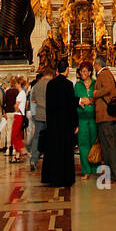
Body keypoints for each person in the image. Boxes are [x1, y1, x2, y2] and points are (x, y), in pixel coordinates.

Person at [42, 59, 77, 187]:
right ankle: (66, 178)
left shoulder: (50, 85)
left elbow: (48, 105)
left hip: (53, 123)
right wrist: (75, 124)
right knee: (66, 151)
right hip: (66, 124)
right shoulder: (68, 85)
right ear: (67, 70)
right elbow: (71, 106)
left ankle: (53, 178)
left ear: (57, 70)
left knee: (54, 150)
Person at [93, 55, 116, 184]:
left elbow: (109, 88)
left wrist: (96, 93)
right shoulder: (105, 74)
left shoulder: (104, 74)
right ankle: (110, 174)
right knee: (107, 146)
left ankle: (113, 175)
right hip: (105, 116)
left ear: (98, 64)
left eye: (94, 64)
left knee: (108, 146)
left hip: (106, 116)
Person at [74, 62, 97, 178]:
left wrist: (90, 101)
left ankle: (95, 169)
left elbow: (99, 97)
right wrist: (80, 101)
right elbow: (73, 101)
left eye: (84, 71)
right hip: (82, 119)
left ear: (90, 72)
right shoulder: (77, 86)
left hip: (93, 119)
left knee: (95, 144)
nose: (82, 74)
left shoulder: (96, 84)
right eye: (81, 71)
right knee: (83, 145)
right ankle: (86, 170)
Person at [28, 68, 51, 171]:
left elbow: (33, 99)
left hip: (39, 114)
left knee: (37, 138)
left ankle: (33, 160)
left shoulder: (36, 85)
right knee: (50, 138)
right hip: (49, 115)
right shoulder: (51, 84)